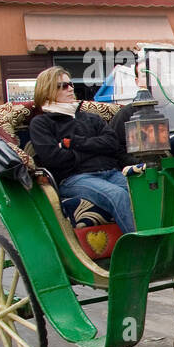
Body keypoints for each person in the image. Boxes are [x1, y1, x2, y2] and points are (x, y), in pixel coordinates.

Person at [27, 66, 137, 233]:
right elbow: (54, 159)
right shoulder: (41, 123)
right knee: (118, 195)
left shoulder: (90, 117)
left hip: (110, 172)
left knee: (144, 190)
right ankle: (143, 249)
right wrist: (95, 148)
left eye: (70, 84)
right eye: (62, 86)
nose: (70, 88)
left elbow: (112, 143)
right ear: (47, 90)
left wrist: (74, 144)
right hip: (74, 178)